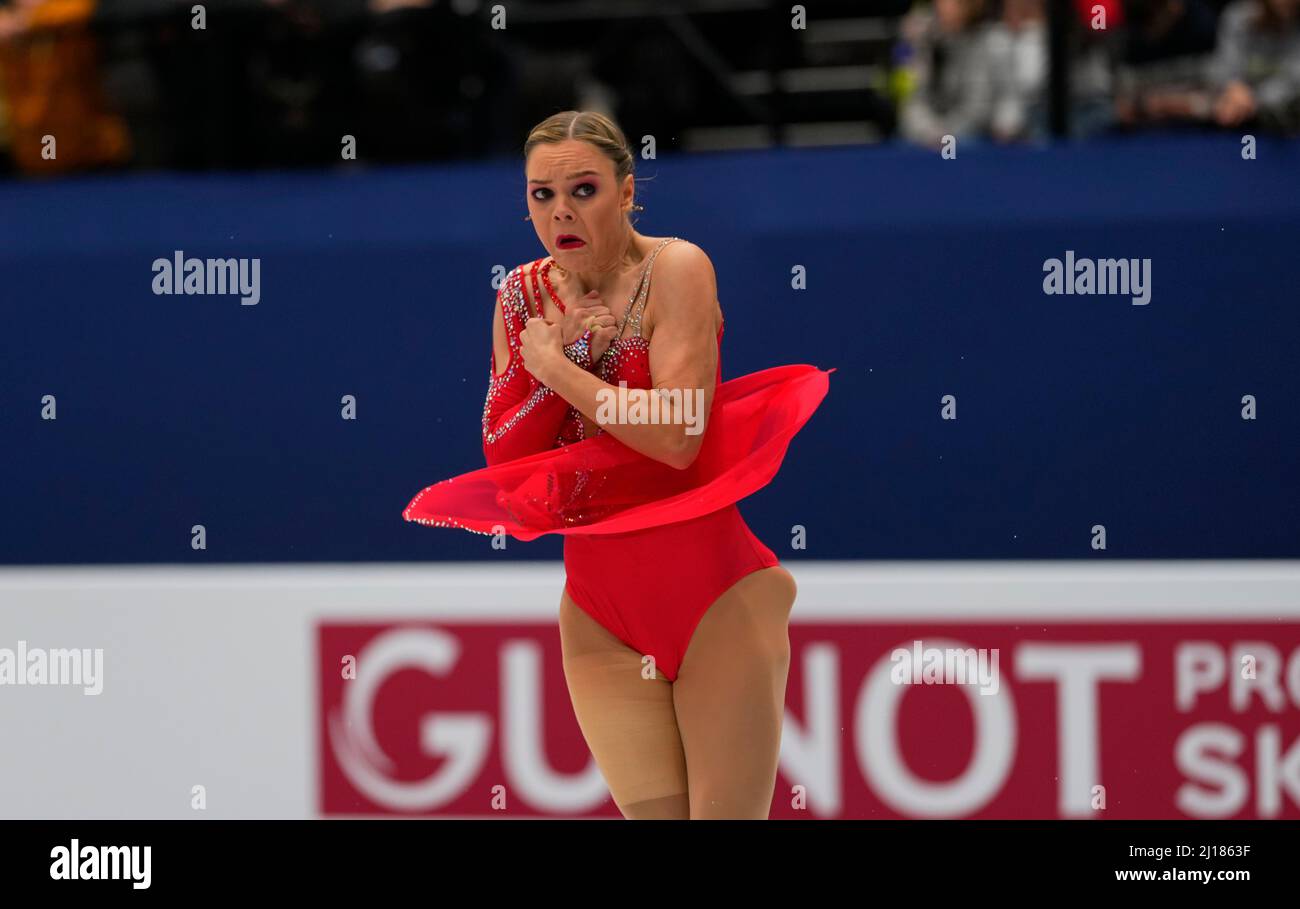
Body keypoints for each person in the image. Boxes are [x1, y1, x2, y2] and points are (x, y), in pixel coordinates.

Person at [403, 110, 832, 819]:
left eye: (584, 189)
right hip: (600, 614)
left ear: (628, 192)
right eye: (542, 194)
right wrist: (567, 356)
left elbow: (679, 437)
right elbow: (510, 464)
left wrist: (558, 370)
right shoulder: (520, 296)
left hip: (714, 600)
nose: (561, 211)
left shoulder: (677, 269)